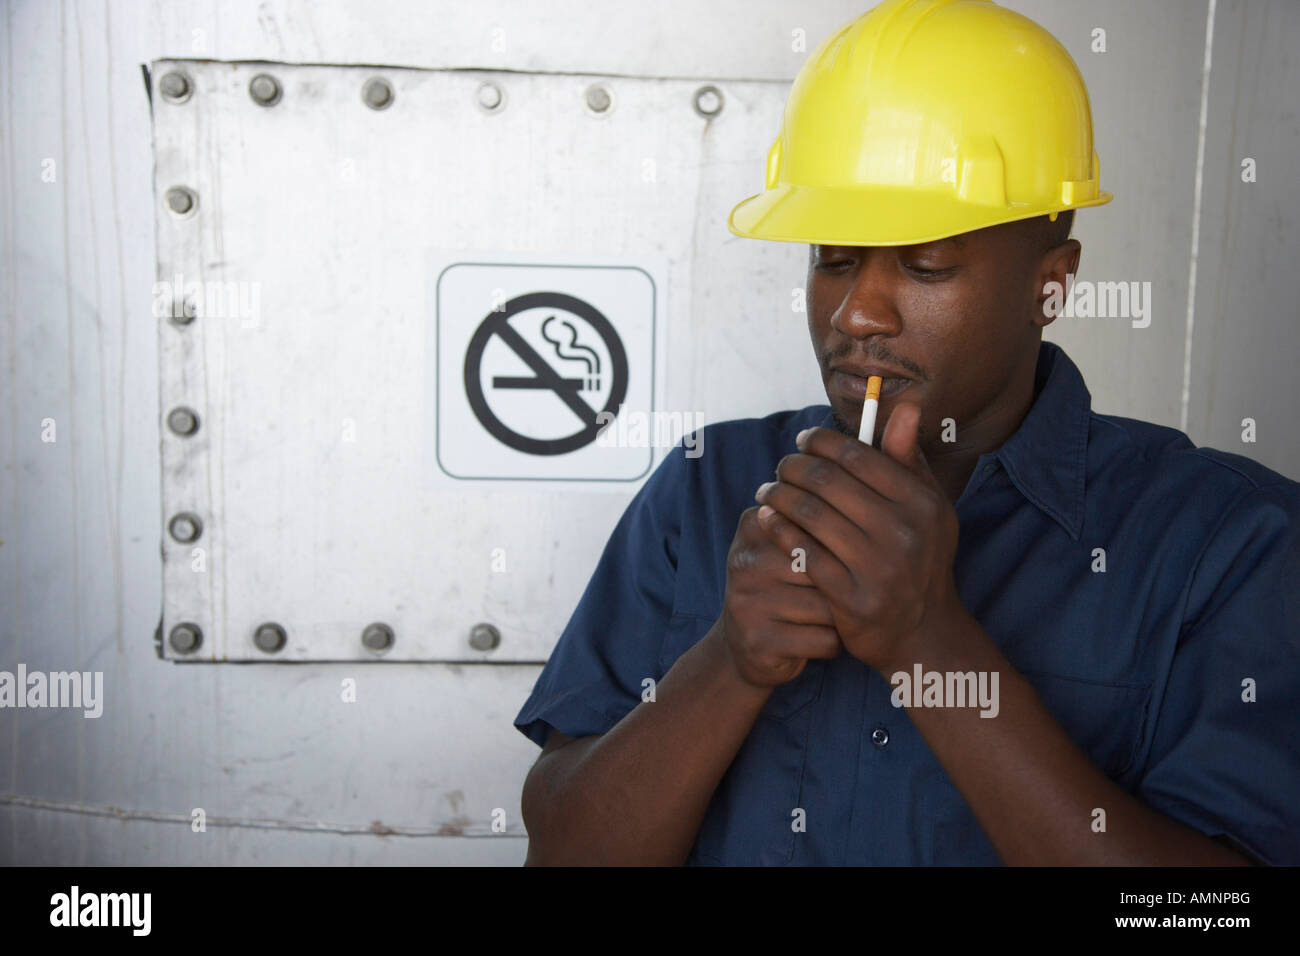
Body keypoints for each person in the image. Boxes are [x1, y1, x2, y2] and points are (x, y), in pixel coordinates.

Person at [513, 0, 1300, 865]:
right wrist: (729, 664)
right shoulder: (705, 489)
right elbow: (565, 853)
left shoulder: (1230, 543)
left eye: (925, 265)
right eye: (834, 259)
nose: (856, 313)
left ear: (1052, 279)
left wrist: (929, 643)